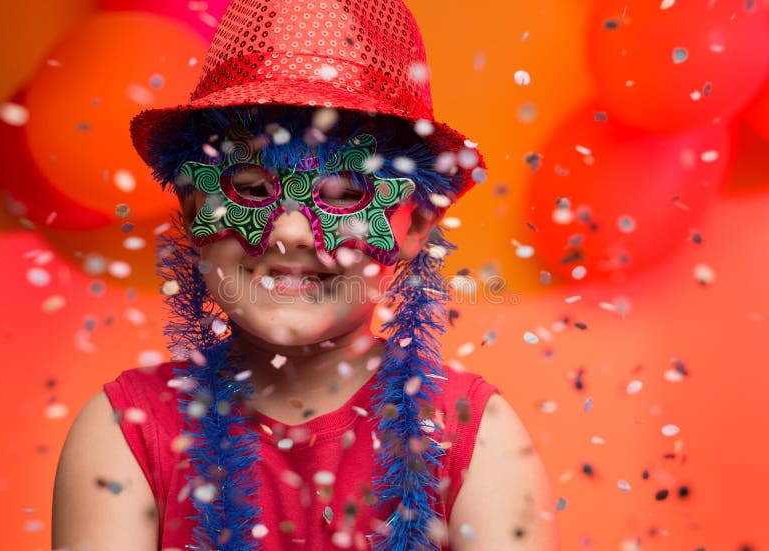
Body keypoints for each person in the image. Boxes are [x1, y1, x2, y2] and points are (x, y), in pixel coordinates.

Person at [51, 0, 560, 549]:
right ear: (196, 205)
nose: (291, 232)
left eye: (343, 194)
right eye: (250, 187)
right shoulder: (127, 431)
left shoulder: (476, 441)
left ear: (416, 224)